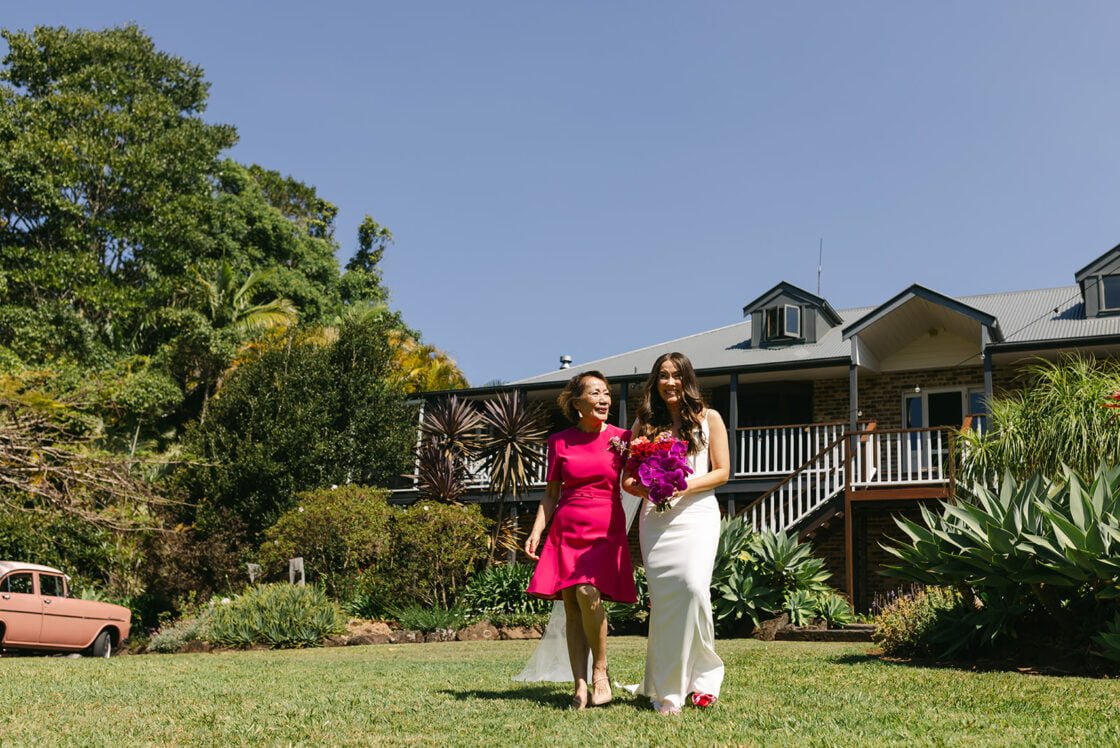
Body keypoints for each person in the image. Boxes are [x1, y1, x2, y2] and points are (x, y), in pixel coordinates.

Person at [624, 352, 728, 715]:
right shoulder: (643, 424)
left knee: (694, 588)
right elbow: (626, 478)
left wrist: (680, 487)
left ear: (687, 380)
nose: (670, 382)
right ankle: (669, 688)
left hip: (698, 513)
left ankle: (704, 677)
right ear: (655, 382)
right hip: (656, 519)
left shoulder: (709, 419)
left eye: (677, 375)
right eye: (663, 376)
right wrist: (648, 489)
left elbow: (722, 472)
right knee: (667, 602)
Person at [525, 370, 637, 710]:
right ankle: (579, 685)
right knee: (572, 607)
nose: (604, 399)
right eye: (595, 393)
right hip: (567, 527)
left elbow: (635, 481)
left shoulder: (624, 438)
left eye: (606, 393)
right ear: (577, 403)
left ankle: (600, 671)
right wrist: (536, 531)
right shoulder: (559, 442)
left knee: (589, 593)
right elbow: (551, 494)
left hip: (605, 526)